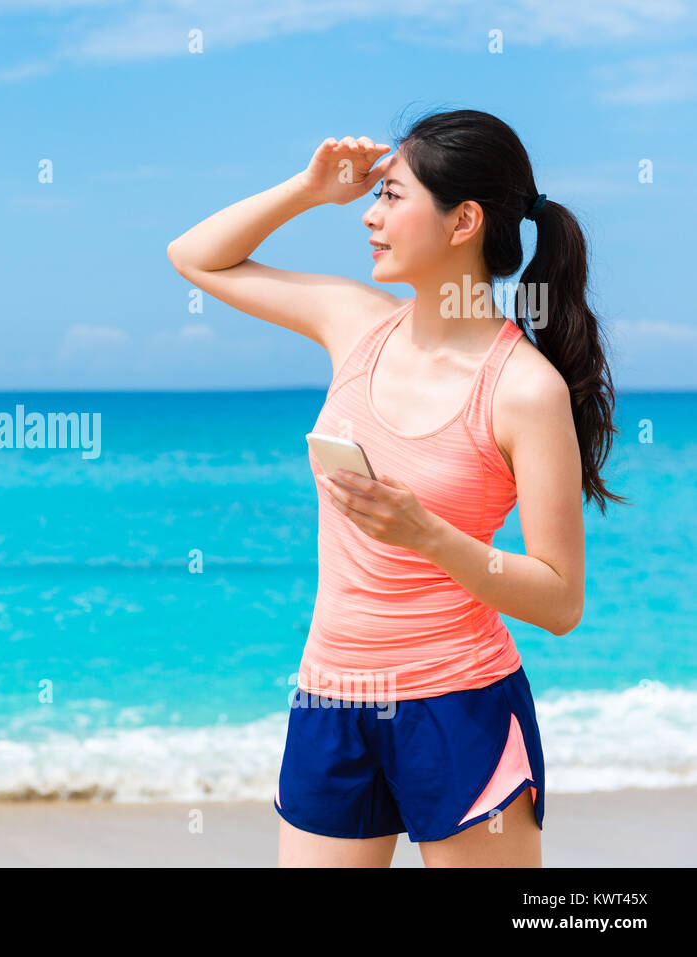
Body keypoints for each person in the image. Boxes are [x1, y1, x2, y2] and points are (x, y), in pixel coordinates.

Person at [166, 109, 625, 867]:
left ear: (463, 221)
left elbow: (561, 599)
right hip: (330, 699)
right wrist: (308, 190)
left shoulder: (523, 391)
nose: (370, 218)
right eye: (375, 197)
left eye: (391, 197)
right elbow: (196, 258)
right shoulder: (355, 322)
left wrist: (428, 535)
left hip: (461, 705)